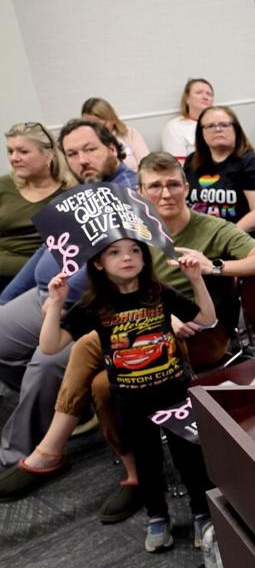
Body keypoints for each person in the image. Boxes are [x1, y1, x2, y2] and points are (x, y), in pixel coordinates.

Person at [0, 151, 255, 513]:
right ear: (140, 192)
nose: (165, 193)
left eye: (173, 184)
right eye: (155, 186)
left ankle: (60, 452)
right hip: (140, 330)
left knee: (90, 363)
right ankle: (129, 471)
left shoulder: (211, 227)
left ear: (186, 187)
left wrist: (214, 267)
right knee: (95, 376)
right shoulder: (136, 235)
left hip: (200, 333)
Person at [39, 238, 217, 553]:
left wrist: (196, 280)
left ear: (145, 258)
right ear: (98, 263)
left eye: (135, 250)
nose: (127, 257)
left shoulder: (159, 293)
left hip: (174, 392)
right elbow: (50, 346)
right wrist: (55, 304)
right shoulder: (95, 305)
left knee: (189, 458)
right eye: (115, 252)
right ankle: (157, 515)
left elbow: (207, 319)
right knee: (146, 461)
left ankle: (202, 513)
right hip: (130, 399)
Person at [0, 119, 134, 472]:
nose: (81, 160)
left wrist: (60, 303)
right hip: (47, 296)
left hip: (86, 308)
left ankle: (14, 456)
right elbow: (46, 249)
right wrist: (7, 297)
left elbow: (115, 266)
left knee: (44, 365)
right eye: (72, 154)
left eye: (90, 150)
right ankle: (70, 405)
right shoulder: (79, 192)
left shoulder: (129, 194)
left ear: (112, 148)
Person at [0, 123, 74, 285]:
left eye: (23, 152)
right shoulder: (4, 185)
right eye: (10, 151)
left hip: (34, 281)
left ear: (48, 155)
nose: (14, 158)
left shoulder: (69, 195)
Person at [186, 106, 255, 233]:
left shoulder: (253, 164)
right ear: (201, 133)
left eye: (224, 125)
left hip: (238, 237)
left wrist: (226, 237)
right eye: (210, 126)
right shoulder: (192, 161)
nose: (218, 129)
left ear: (236, 129)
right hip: (199, 234)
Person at [80, 98, 150, 171]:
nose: (97, 130)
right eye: (90, 126)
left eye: (101, 125)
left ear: (112, 119)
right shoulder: (85, 144)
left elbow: (147, 164)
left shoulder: (129, 133)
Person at [160, 78, 214, 162]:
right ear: (187, 99)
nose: (205, 97)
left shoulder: (221, 123)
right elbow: (177, 166)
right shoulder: (174, 127)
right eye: (199, 93)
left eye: (209, 94)